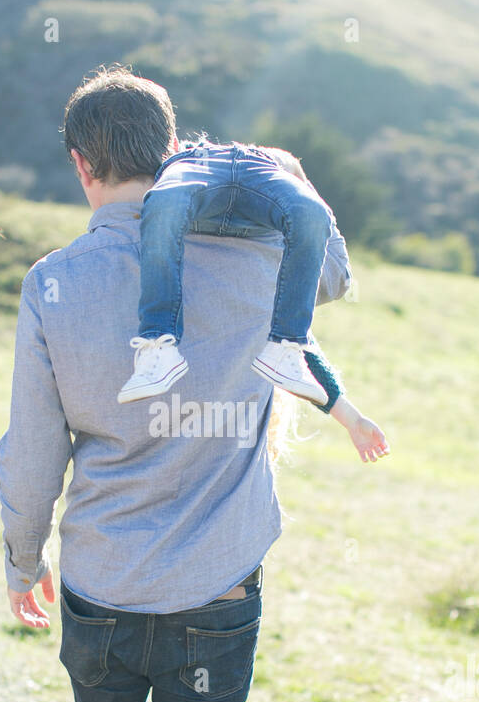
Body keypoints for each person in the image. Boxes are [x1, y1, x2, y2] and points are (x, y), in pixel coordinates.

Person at [0, 65, 387, 702]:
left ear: (81, 165)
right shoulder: (256, 261)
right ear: (175, 156)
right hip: (219, 591)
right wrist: (284, 180)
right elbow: (333, 272)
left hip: (102, 588)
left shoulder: (53, 284)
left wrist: (22, 558)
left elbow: (31, 456)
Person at [119, 137, 390, 463]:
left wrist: (351, 417)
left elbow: (303, 352)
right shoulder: (264, 272)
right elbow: (338, 278)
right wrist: (311, 196)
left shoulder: (191, 250)